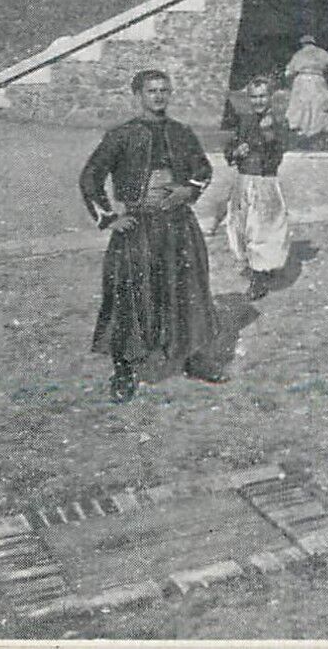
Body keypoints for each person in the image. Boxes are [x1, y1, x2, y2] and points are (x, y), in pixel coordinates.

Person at [79, 69, 223, 403]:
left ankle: (192, 357)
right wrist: (109, 218)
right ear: (138, 95)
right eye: (151, 91)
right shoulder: (121, 135)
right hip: (138, 227)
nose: (158, 96)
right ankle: (125, 370)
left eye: (164, 90)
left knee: (187, 290)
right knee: (130, 296)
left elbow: (203, 170)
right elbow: (90, 177)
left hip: (177, 226)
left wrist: (187, 190)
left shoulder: (182, 133)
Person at [223, 75, 289, 300]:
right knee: (240, 226)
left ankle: (260, 277)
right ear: (248, 98)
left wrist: (268, 136)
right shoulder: (244, 120)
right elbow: (230, 147)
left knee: (262, 228)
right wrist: (235, 152)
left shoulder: (278, 122)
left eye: (263, 96)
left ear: (270, 97)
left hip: (264, 180)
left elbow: (277, 151)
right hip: (243, 179)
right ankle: (256, 266)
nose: (259, 101)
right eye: (254, 96)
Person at [283, 35, 328, 147]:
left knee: (300, 109)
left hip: (301, 81)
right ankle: (317, 136)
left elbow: (288, 72)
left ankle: (302, 136)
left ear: (303, 44)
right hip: (318, 80)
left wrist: (291, 83)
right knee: (319, 108)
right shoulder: (323, 53)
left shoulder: (298, 55)